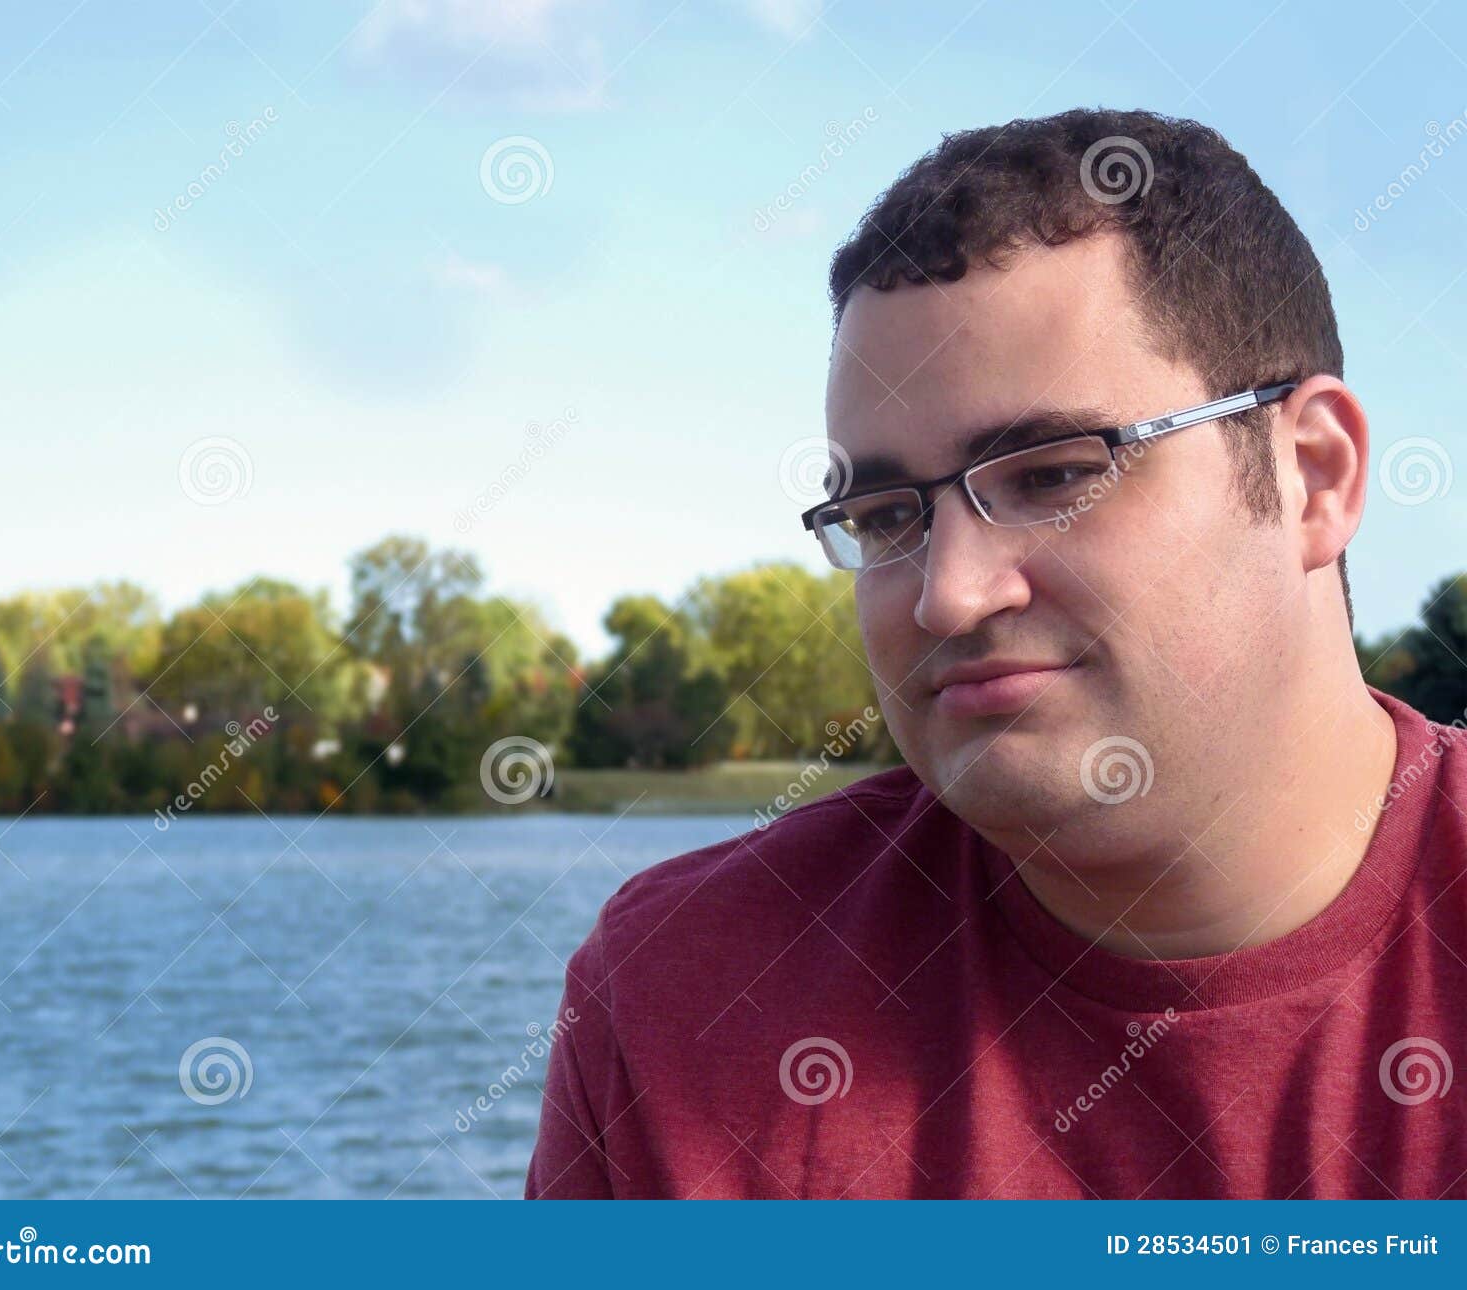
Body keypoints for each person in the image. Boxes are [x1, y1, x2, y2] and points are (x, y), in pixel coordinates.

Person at [525, 107, 1467, 1199]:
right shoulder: (691, 995)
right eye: (885, 516)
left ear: (1311, 476)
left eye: (1055, 475)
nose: (949, 593)